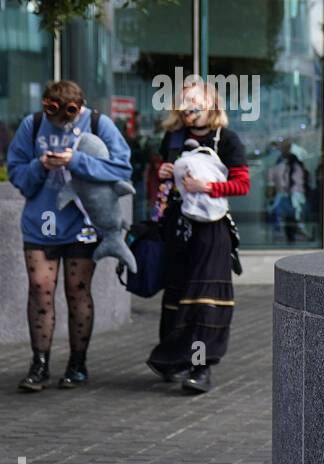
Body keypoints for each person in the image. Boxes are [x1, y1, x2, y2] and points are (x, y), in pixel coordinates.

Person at [7, 81, 131, 391]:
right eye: (53, 111)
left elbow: (122, 168)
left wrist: (75, 161)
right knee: (40, 290)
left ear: (80, 106)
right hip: (41, 222)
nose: (61, 119)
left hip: (83, 224)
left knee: (77, 291)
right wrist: (41, 165)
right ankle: (39, 365)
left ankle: (77, 364)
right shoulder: (32, 124)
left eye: (69, 113)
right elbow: (17, 172)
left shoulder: (99, 123)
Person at [146, 81, 249, 394]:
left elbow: (242, 184)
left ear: (212, 104)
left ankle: (200, 367)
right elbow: (163, 186)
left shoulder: (227, 140)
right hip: (180, 227)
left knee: (206, 299)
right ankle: (172, 358)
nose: (189, 111)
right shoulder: (174, 138)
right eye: (184, 105)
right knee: (177, 296)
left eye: (195, 103)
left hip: (212, 228)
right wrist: (164, 174)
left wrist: (208, 188)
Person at [267, 139, 309, 243]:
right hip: (285, 197)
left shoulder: (295, 164)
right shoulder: (279, 165)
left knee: (294, 218)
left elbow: (299, 182)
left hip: (295, 197)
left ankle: (295, 233)